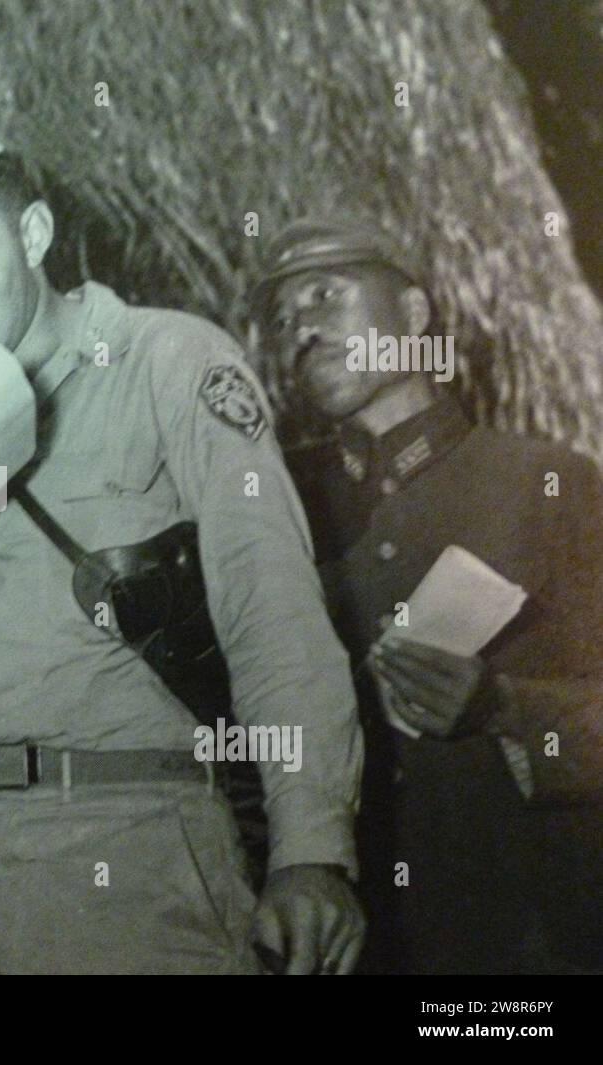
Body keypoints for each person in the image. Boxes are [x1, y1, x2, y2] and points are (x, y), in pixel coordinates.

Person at [0, 121, 366, 974]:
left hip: (121, 853)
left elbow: (269, 603)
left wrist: (310, 847)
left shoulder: (165, 360)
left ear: (35, 233)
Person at [252, 217, 603, 973]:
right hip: (348, 944)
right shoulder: (274, 502)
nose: (301, 330)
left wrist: (503, 708)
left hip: (521, 942)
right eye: (283, 320)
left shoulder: (549, 484)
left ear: (413, 315)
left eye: (325, 296)